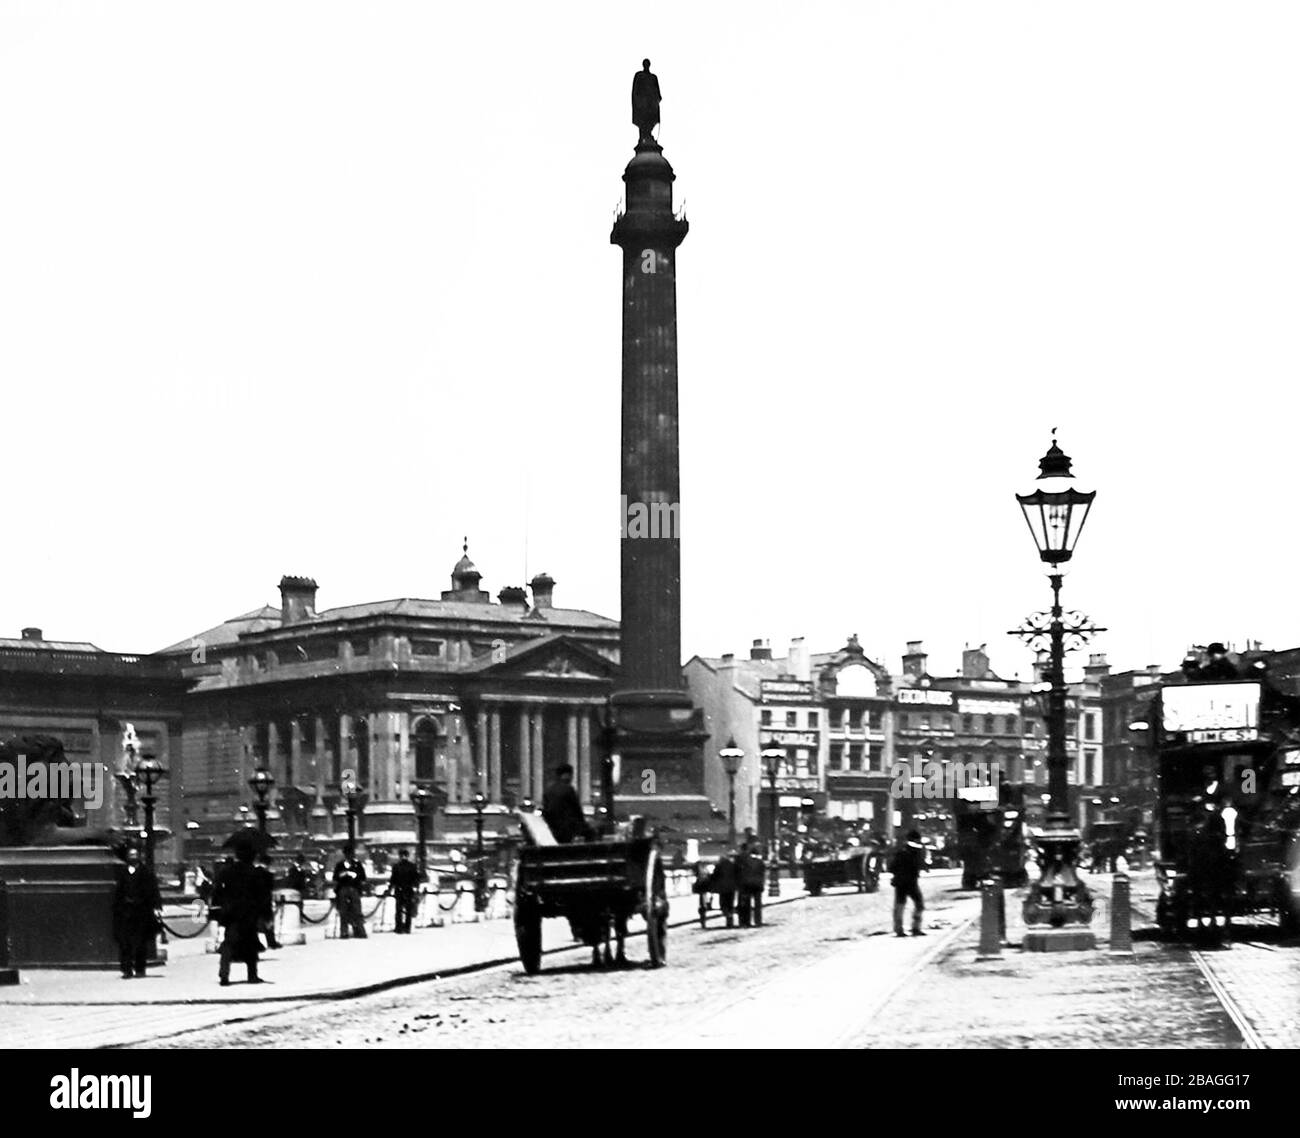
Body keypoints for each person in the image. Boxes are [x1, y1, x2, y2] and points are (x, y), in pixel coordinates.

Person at [213, 840, 272, 986]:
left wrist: (220, 908)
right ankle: (252, 975)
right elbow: (263, 896)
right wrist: (266, 915)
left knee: (228, 944)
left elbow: (217, 891)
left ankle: (224, 974)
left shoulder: (227, 871)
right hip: (249, 914)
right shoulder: (255, 873)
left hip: (231, 913)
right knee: (251, 944)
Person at [112, 847, 161, 980]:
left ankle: (140, 969)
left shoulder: (146, 872)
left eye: (135, 854)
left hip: (142, 912)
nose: (133, 857)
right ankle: (127, 969)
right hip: (126, 912)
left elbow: (153, 890)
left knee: (140, 943)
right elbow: (118, 893)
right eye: (131, 855)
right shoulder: (122, 873)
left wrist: (157, 906)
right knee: (125, 943)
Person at [541, 764, 592, 844]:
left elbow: (546, 810)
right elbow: (577, 810)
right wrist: (584, 825)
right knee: (591, 833)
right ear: (567, 775)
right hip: (568, 828)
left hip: (553, 828)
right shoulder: (568, 789)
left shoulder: (548, 791)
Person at [889, 829, 927, 937]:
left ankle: (898, 929)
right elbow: (919, 865)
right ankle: (916, 928)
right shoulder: (917, 850)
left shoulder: (900, 850)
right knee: (919, 904)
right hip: (911, 882)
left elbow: (891, 867)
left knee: (899, 905)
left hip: (900, 882)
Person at [333, 848, 368, 938]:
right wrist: (342, 874)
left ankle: (360, 930)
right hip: (343, 888)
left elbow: (363, 877)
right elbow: (335, 877)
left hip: (354, 888)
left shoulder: (357, 864)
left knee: (357, 911)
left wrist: (355, 875)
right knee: (343, 911)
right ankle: (344, 931)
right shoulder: (340, 865)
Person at [388, 848, 422, 934]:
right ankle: (407, 927)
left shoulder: (396, 866)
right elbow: (416, 879)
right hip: (408, 890)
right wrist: (416, 888)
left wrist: (390, 889)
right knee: (408, 910)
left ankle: (399, 927)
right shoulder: (412, 866)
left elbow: (393, 879)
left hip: (399, 890)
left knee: (398, 910)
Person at [736, 842, 766, 928]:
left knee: (747, 904)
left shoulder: (745, 861)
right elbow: (762, 873)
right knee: (757, 904)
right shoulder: (760, 862)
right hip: (757, 884)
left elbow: (740, 872)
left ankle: (747, 921)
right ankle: (758, 921)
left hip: (747, 884)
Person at [709, 849, 740, 929]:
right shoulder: (732, 865)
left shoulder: (719, 866)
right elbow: (737, 874)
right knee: (730, 902)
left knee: (723, 902)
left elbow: (714, 876)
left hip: (722, 887)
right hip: (731, 887)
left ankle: (726, 913)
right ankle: (730, 914)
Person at [255, 854, 281, 950]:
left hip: (254, 902)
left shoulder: (253, 872)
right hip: (265, 901)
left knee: (255, 924)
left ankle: (257, 943)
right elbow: (269, 889)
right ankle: (271, 942)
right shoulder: (268, 875)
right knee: (268, 923)